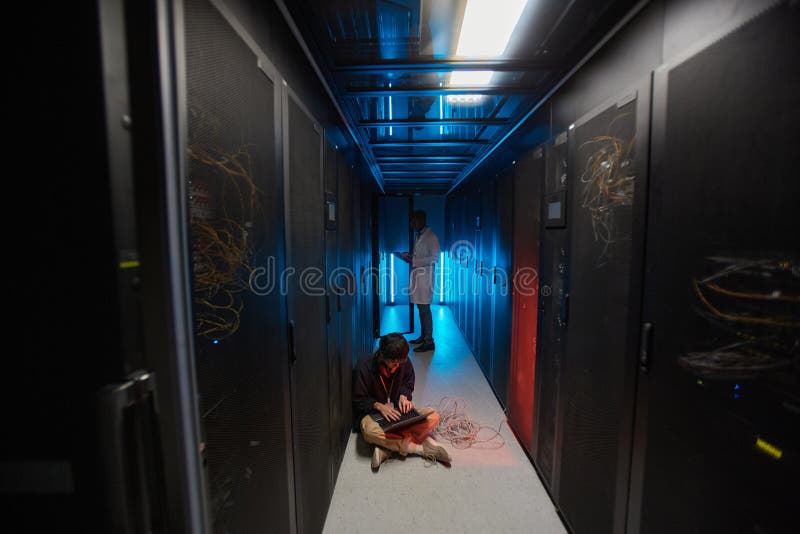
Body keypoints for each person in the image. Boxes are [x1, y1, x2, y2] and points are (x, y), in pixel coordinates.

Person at [353, 333, 451, 470]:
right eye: (394, 363)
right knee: (369, 432)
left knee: (433, 415)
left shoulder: (403, 362)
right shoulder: (364, 367)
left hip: (398, 414)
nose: (397, 367)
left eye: (400, 363)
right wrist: (379, 406)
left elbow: (408, 383)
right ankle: (419, 449)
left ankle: (386, 448)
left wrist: (404, 396)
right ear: (382, 355)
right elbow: (359, 400)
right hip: (374, 416)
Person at [399, 210, 440, 352]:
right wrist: (410, 257)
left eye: (414, 221)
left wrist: (414, 260)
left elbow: (434, 258)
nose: (412, 224)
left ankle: (429, 342)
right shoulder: (420, 235)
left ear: (421, 220)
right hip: (418, 277)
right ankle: (423, 336)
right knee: (421, 309)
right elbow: (420, 255)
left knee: (424, 309)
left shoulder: (431, 236)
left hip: (425, 278)